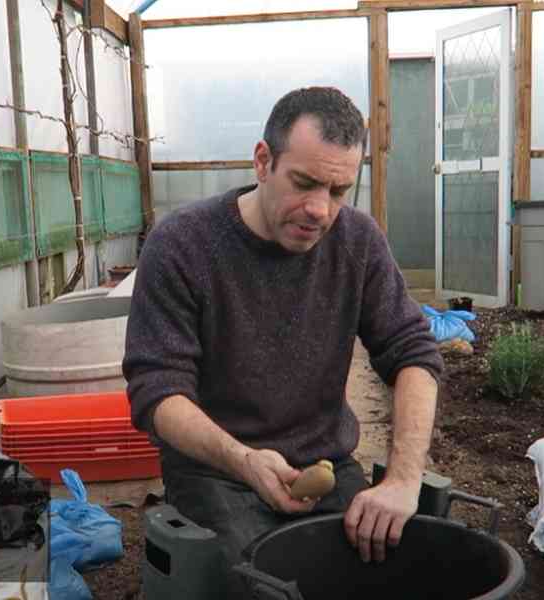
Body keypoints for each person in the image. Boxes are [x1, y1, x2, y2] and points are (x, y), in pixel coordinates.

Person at [122, 86, 444, 596]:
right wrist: (244, 460)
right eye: (304, 182)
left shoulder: (358, 241)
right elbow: (156, 390)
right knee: (260, 586)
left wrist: (404, 479)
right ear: (262, 161)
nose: (320, 209)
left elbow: (413, 352)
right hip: (216, 472)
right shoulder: (183, 244)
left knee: (383, 575)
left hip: (325, 466)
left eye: (338, 191)